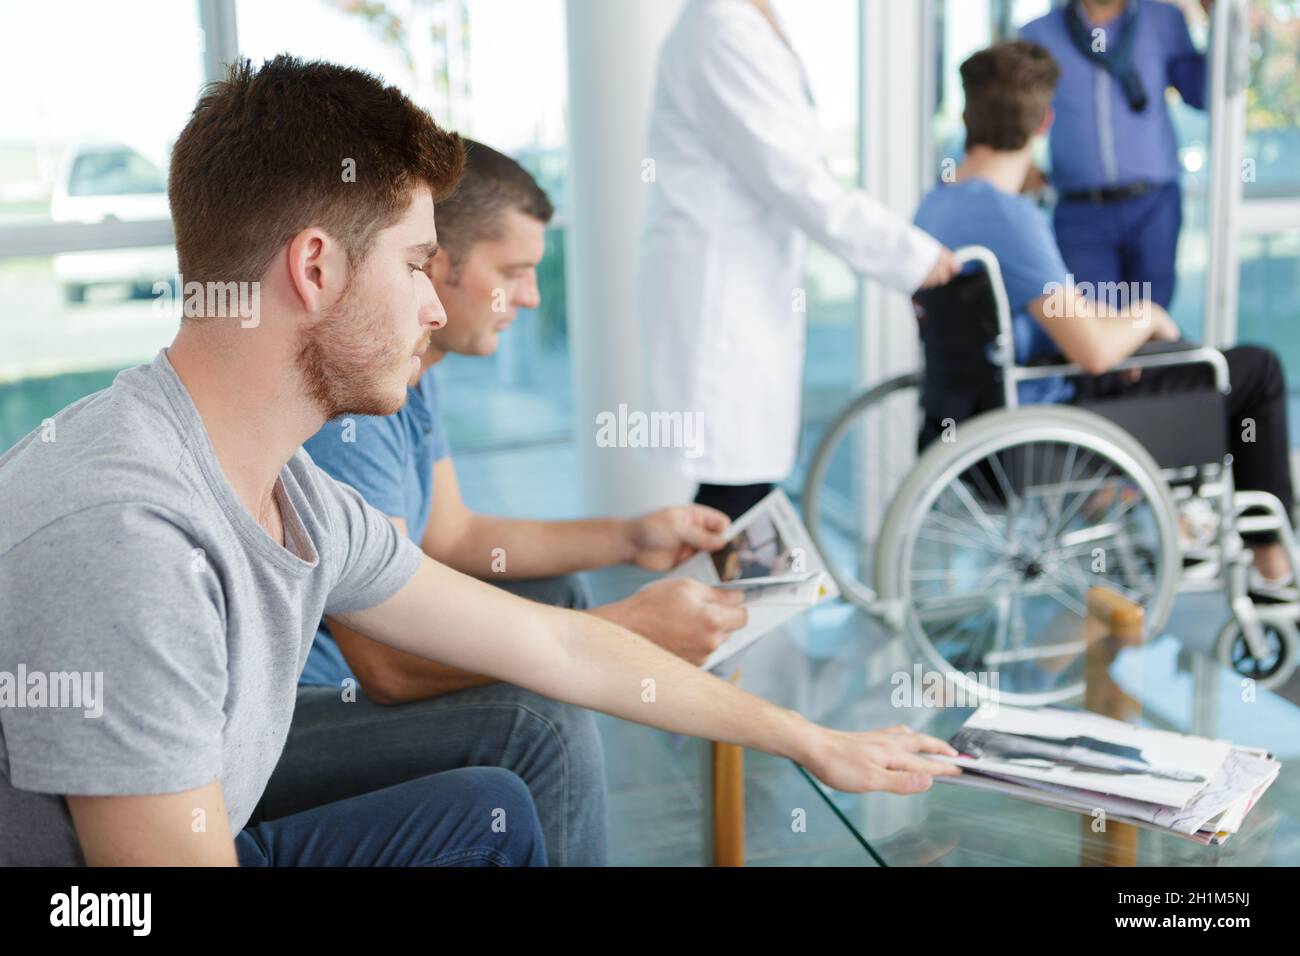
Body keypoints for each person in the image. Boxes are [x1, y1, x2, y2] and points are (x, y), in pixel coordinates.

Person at [0, 55, 961, 868]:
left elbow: (560, 646)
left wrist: (817, 742)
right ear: (316, 268)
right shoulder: (128, 535)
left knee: (486, 798)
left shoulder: (295, 493)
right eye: (418, 264)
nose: (434, 304)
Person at [259, 141, 750, 867]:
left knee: (559, 597)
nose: (532, 297)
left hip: (344, 684)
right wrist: (620, 630)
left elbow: (454, 534)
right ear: (436, 264)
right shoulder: (357, 415)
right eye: (513, 272)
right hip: (297, 715)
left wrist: (630, 536)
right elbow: (387, 665)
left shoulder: (416, 376)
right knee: (540, 717)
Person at [913, 40, 1295, 587]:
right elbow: (1091, 352)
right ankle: (1273, 566)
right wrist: (1146, 315)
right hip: (1047, 418)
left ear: (969, 112)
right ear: (1045, 122)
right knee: (1255, 371)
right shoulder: (1011, 218)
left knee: (1169, 352)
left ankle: (1164, 519)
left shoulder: (937, 203)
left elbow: (1053, 310)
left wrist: (1131, 326)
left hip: (976, 406)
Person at [637, 0, 960, 520]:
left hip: (742, 278)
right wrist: (913, 257)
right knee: (734, 492)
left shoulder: (745, 23)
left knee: (740, 487)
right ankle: (721, 599)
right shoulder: (721, 29)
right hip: (719, 286)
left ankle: (728, 597)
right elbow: (798, 181)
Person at [1021, 0, 1211, 310]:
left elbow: (1204, 94)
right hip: (1080, 212)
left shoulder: (1164, 20)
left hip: (1154, 206)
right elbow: (1015, 111)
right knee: (1094, 324)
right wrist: (1023, 165)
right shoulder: (1039, 34)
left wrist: (1218, 19)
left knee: (1149, 323)